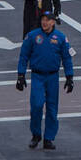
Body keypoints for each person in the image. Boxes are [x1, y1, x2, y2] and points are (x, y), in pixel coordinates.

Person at [16, 11, 74, 150]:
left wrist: (69, 77)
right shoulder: (32, 36)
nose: (45, 22)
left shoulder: (60, 37)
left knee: (52, 108)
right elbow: (24, 55)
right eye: (43, 19)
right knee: (36, 105)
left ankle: (48, 138)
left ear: (53, 22)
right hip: (37, 76)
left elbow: (67, 57)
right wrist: (21, 75)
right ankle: (36, 134)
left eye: (48, 19)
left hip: (53, 77)